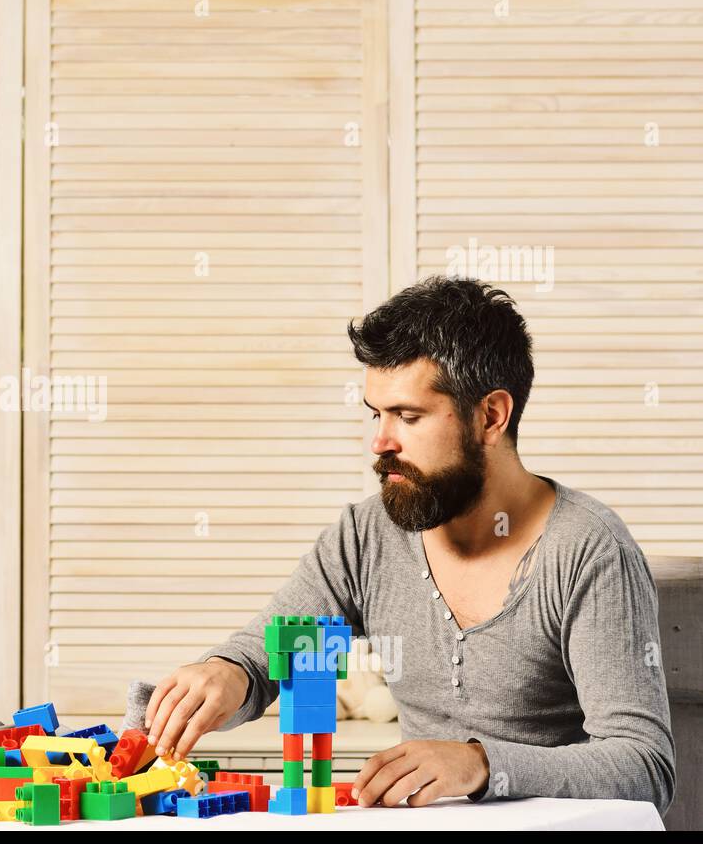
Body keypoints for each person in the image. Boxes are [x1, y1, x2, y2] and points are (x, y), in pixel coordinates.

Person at [139, 277, 675, 815]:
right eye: (377, 414)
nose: (380, 442)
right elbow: (264, 656)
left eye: (408, 416)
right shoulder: (366, 536)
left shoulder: (589, 550)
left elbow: (644, 765)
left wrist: (480, 763)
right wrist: (227, 672)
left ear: (491, 416)